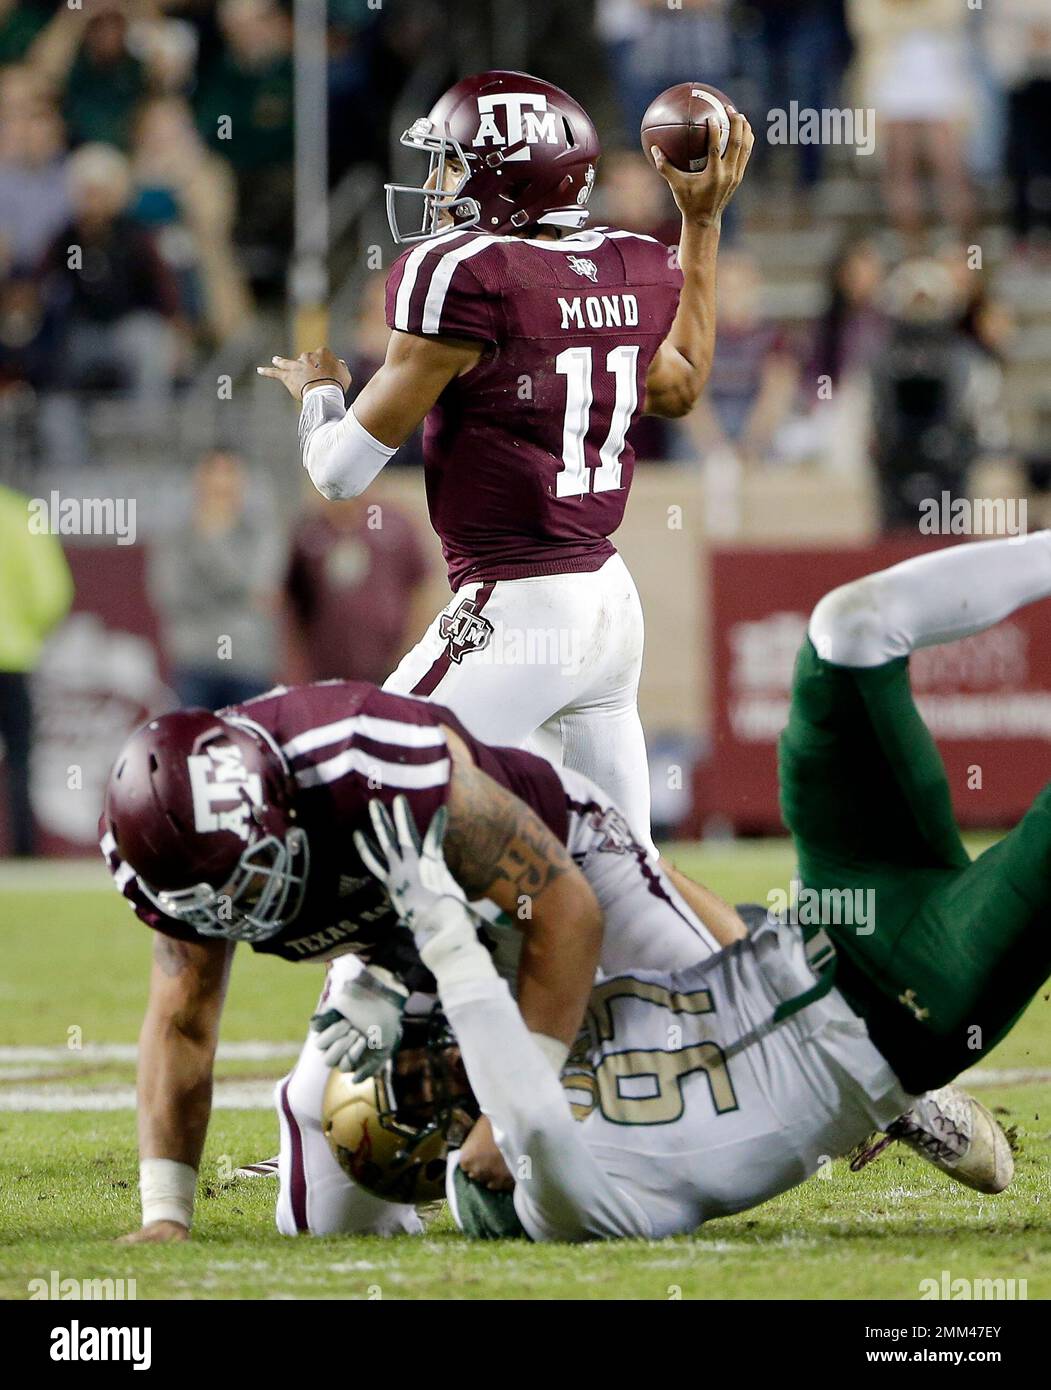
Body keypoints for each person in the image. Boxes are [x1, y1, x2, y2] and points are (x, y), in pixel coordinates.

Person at [102, 666, 1007, 1243]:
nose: (253, 909)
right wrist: (165, 1217)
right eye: (230, 898)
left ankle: (899, 1091)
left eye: (260, 877)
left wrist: (513, 1106)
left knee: (733, 1006)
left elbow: (559, 912)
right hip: (403, 927)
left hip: (559, 860)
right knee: (320, 1169)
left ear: (277, 800)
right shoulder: (178, 859)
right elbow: (181, 1026)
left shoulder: (371, 762)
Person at [355, 532, 1051, 1241]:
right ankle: (903, 1103)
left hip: (831, 913)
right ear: (479, 1178)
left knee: (851, 628)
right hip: (917, 1003)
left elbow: (667, 914)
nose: (451, 1079)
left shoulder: (542, 1037)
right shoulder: (573, 1201)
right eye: (437, 1101)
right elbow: (530, 1123)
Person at [258, 69, 753, 855]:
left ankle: (391, 982)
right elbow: (684, 385)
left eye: (449, 163)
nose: (432, 183)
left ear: (505, 177)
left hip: (520, 604)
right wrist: (701, 225)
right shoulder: (629, 262)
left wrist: (319, 390)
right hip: (606, 602)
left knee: (366, 800)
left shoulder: (466, 278)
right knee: (624, 879)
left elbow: (338, 475)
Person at [148, 449, 279, 711]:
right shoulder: (175, 537)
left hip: (248, 663)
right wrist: (238, 595)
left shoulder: (261, 532)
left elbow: (260, 587)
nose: (221, 483)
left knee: (250, 747)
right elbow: (170, 594)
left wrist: (211, 537)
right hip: (195, 662)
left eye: (229, 474)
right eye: (214, 474)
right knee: (196, 747)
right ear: (199, 482)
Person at [284, 493, 431, 686]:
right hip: (325, 665)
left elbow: (421, 587)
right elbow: (291, 598)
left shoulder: (395, 525)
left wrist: (411, 646)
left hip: (388, 662)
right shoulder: (309, 529)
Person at [0, 482, 73, 856]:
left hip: (15, 652)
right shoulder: (21, 514)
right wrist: (27, 630)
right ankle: (23, 852)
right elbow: (51, 592)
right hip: (13, 657)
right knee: (20, 761)